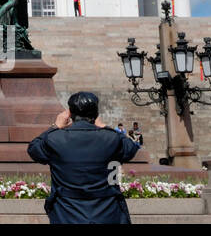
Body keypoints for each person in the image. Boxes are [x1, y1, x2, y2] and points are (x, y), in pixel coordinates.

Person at [27, 91, 142, 224]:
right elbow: (131, 148)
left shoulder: (54, 138)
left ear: (70, 113)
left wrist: (55, 126)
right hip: (107, 213)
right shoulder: (111, 138)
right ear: (96, 114)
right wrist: (104, 126)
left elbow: (33, 149)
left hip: (66, 214)